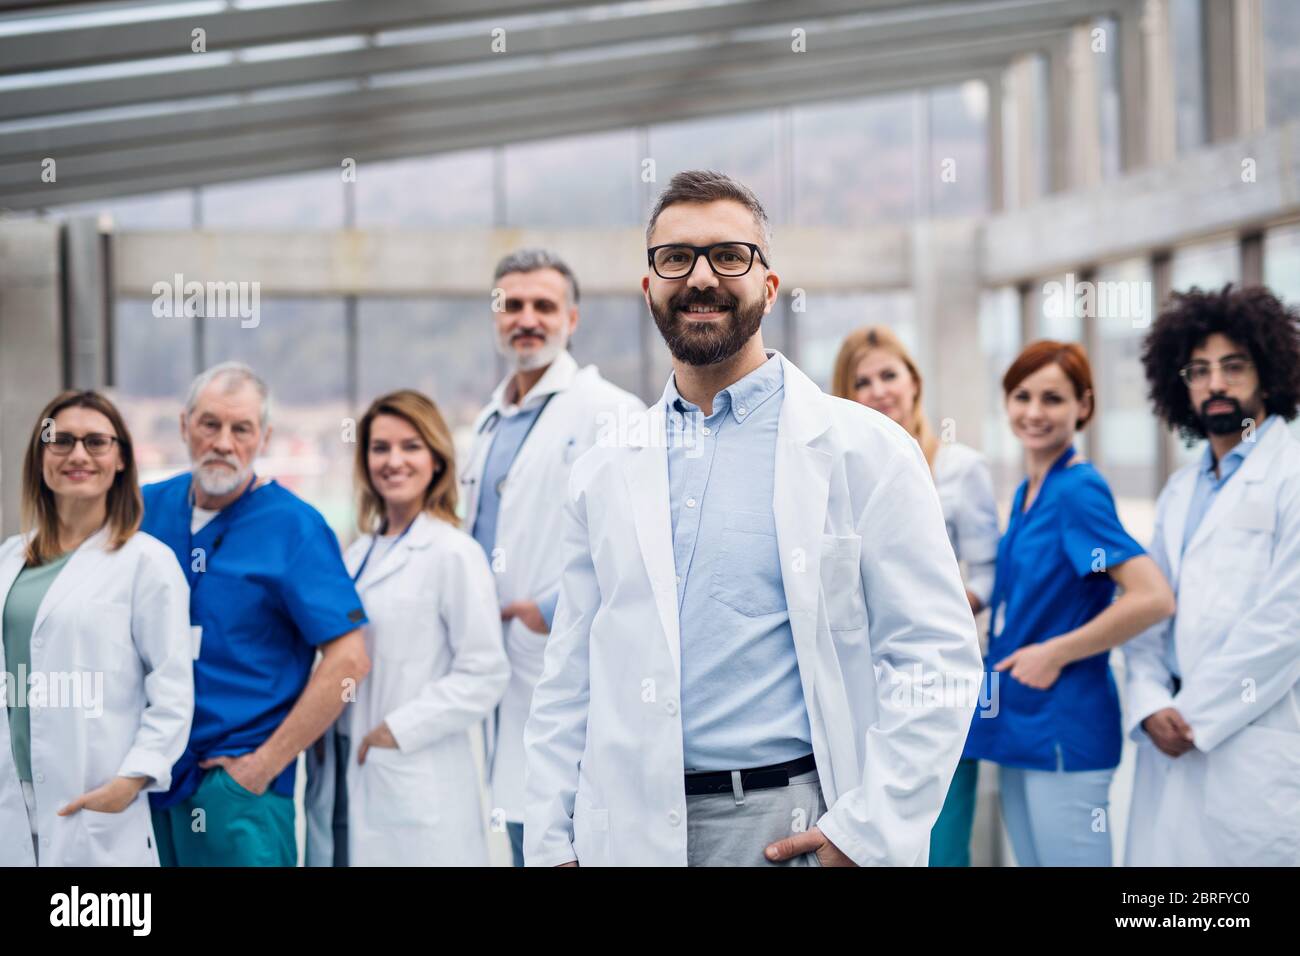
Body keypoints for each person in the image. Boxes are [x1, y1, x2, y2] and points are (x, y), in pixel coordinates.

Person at [523, 169, 983, 867]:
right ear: (650, 288)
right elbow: (570, 676)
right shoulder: (604, 470)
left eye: (729, 255)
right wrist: (553, 844)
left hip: (791, 826)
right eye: (675, 258)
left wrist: (863, 833)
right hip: (629, 828)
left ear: (768, 287)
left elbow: (936, 659)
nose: (701, 276)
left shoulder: (868, 450)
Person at [143, 362, 371, 867]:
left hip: (237, 792)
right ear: (184, 426)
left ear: (263, 436)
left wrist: (263, 765)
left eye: (241, 428)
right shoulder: (143, 510)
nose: (223, 442)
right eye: (210, 424)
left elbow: (349, 660)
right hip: (145, 783)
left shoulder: (295, 528)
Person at [961, 340, 1175, 867]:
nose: (1034, 412)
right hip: (1023, 720)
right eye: (1022, 396)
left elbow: (1152, 596)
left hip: (1065, 722)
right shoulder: (1029, 490)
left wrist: (1054, 652)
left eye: (1053, 399)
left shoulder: (1078, 491)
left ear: (1084, 406)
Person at [463, 249, 643, 866]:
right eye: (512, 305)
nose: (526, 318)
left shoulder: (610, 412)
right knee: (513, 827)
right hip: (493, 668)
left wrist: (547, 609)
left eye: (543, 305)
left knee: (563, 833)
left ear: (571, 318)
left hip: (560, 663)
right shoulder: (486, 425)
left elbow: (642, 550)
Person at [1126, 285, 1300, 866]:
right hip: (1169, 737)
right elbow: (1151, 609)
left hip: (1252, 736)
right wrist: (1150, 700)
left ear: (1269, 373)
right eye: (1198, 371)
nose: (1216, 384)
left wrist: (1194, 713)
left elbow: (1286, 620)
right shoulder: (1179, 491)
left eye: (1233, 366)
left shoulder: (1290, 476)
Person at [305, 390, 509, 866]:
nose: (393, 461)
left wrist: (393, 731)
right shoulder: (357, 554)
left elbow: (485, 674)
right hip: (345, 772)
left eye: (410, 446)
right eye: (380, 448)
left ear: (436, 459)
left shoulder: (453, 553)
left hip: (411, 774)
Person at [0, 391, 192, 866]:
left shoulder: (147, 563)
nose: (78, 455)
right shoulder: (8, 558)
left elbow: (172, 693)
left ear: (121, 458)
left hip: (94, 807)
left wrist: (130, 782)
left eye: (96, 442)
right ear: (40, 456)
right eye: (60, 441)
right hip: (12, 802)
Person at [831, 325, 999, 867]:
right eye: (863, 381)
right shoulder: (840, 473)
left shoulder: (960, 468)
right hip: (865, 681)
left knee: (942, 844)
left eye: (889, 375)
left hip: (937, 673)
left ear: (915, 382)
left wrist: (936, 605)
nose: (879, 390)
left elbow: (991, 572)